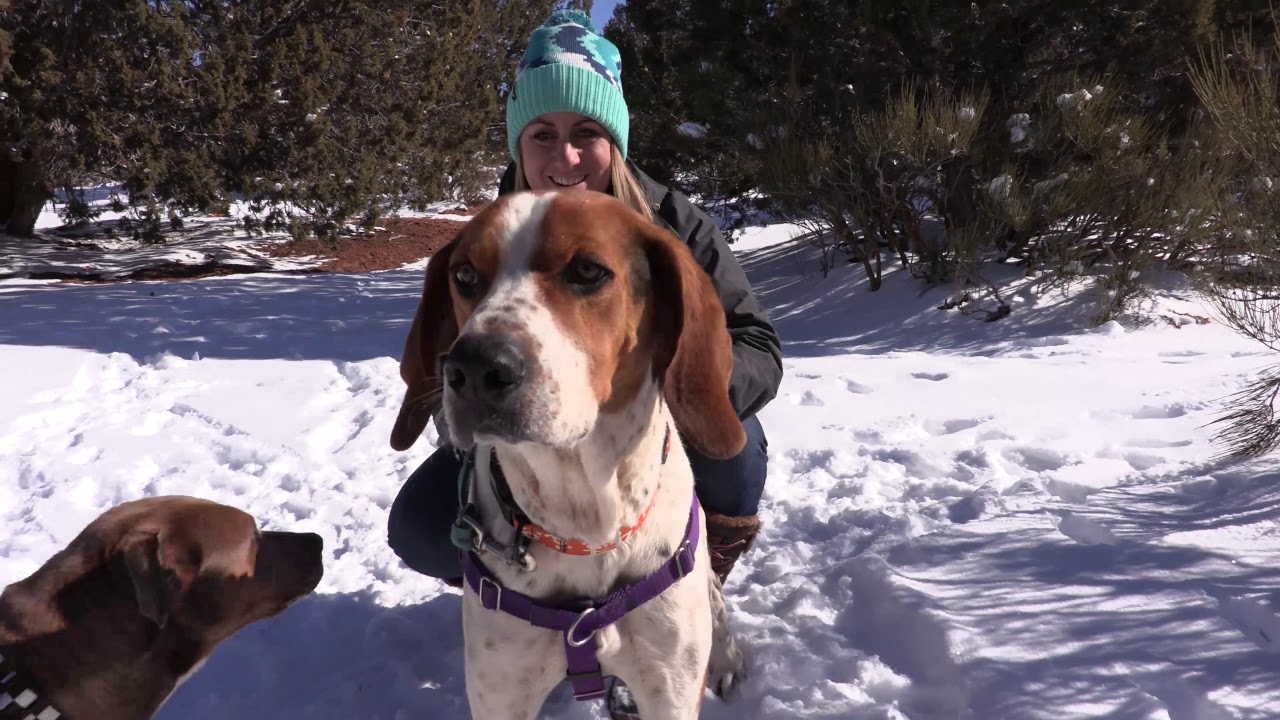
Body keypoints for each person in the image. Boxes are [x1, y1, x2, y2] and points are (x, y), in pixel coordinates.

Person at [386, 6, 781, 604]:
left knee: (736, 451)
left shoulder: (673, 226)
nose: (564, 158)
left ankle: (688, 583)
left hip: (645, 432)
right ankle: (533, 589)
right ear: (519, 143)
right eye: (542, 134)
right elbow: (448, 347)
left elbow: (754, 340)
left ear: (614, 141)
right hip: (517, 432)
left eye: (586, 134)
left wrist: (675, 393)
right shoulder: (487, 238)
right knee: (420, 527)